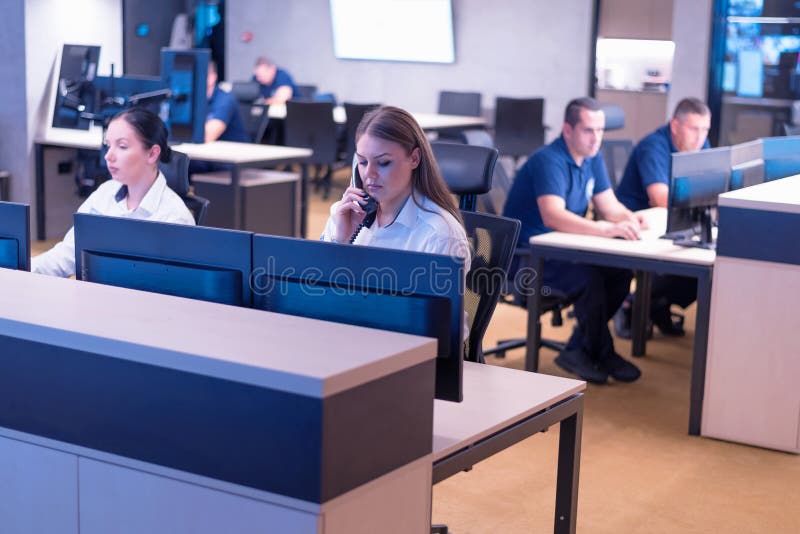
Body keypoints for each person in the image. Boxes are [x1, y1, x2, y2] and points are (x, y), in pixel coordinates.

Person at [503, 97, 646, 384]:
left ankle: (579, 349)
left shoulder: (592, 158)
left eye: (601, 131)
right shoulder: (549, 160)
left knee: (619, 273)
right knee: (589, 279)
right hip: (528, 260)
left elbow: (609, 206)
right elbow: (553, 216)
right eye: (588, 130)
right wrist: (605, 229)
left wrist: (630, 218)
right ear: (568, 130)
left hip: (563, 253)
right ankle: (601, 352)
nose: (596, 138)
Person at [32, 108, 196, 278]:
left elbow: (176, 289)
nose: (108, 156)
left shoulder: (175, 218)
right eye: (108, 145)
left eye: (122, 146)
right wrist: (20, 268)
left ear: (152, 154)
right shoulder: (105, 193)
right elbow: (67, 255)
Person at [320, 105, 470, 268]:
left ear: (414, 158)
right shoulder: (344, 215)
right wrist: (341, 242)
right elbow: (315, 287)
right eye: (363, 162)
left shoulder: (440, 236)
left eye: (384, 163)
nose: (369, 174)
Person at [613, 97, 712, 338]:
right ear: (675, 126)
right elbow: (659, 197)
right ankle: (632, 305)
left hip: (675, 222)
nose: (700, 137)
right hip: (640, 225)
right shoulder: (654, 146)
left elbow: (710, 184)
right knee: (693, 265)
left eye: (705, 129)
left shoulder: (699, 145)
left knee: (708, 269)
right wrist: (704, 200)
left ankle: (656, 304)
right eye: (694, 129)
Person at [205, 60, 248, 143]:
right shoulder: (197, 100)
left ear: (212, 78)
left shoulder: (225, 99)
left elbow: (208, 136)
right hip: (210, 152)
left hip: (236, 152)